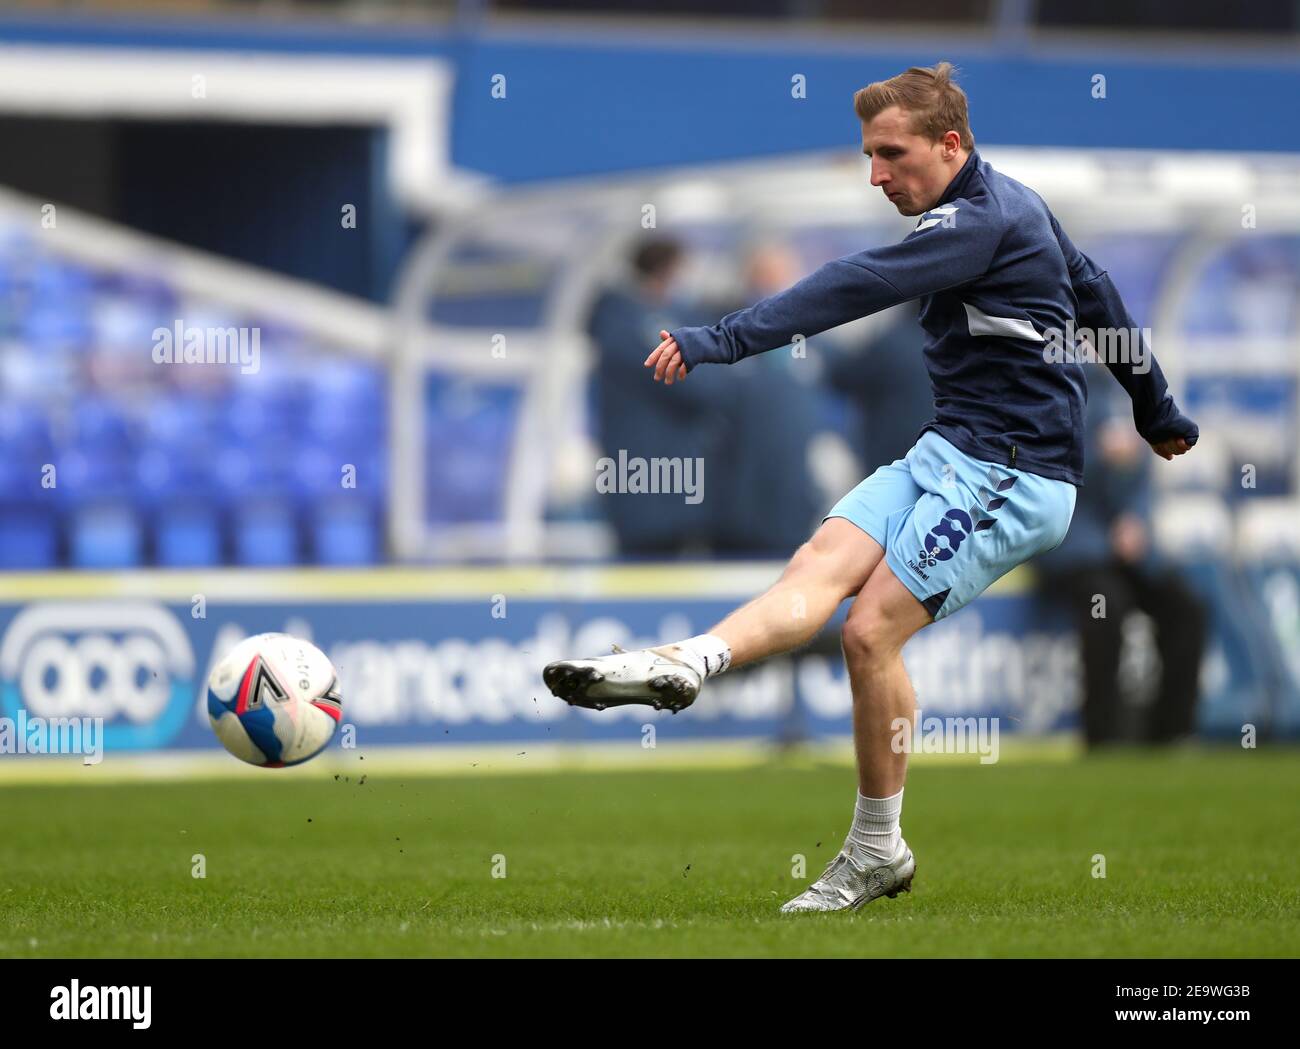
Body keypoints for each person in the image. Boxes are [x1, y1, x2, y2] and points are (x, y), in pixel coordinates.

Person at [544, 63, 1198, 913]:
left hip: (1015, 473)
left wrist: (723, 336)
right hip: (949, 451)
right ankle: (690, 660)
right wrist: (1158, 407)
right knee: (817, 563)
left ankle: (875, 849)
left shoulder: (981, 219)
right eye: (869, 154)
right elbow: (1100, 292)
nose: (877, 173)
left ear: (950, 145)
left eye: (891, 154)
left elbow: (854, 285)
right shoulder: (1018, 205)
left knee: (868, 631)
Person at [1037, 363, 1208, 748]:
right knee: (1107, 604)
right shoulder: (1050, 386)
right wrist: (1100, 457)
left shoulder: (1124, 394)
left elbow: (1142, 479)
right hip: (1069, 548)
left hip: (1121, 551)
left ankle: (1174, 733)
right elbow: (1047, 475)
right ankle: (1104, 736)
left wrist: (1135, 521)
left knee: (1186, 606)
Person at [587, 238, 730, 557]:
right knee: (652, 571)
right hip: (653, 486)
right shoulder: (637, 327)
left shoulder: (627, 322)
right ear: (667, 270)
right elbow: (702, 389)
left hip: (654, 484)